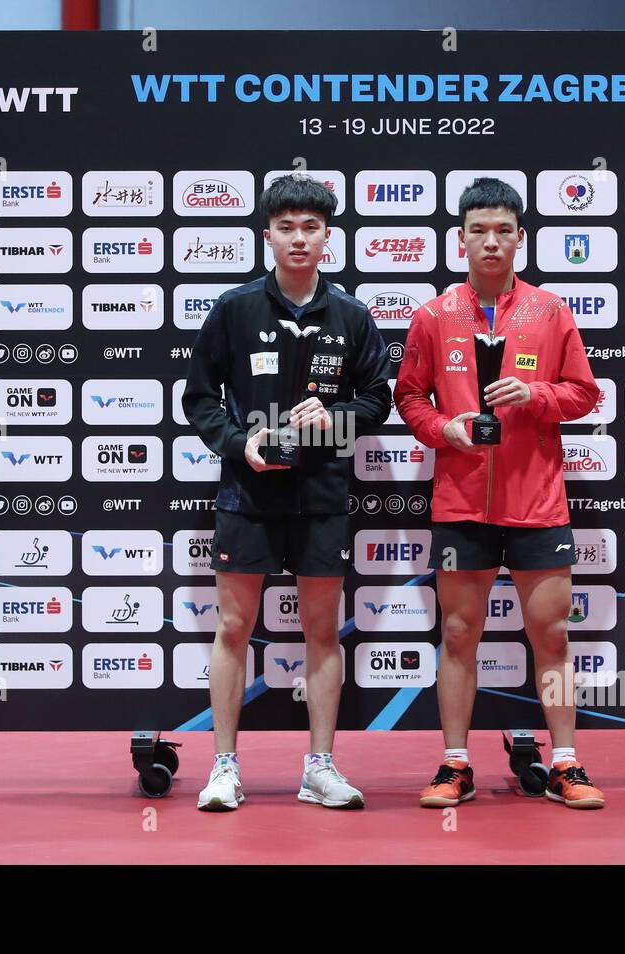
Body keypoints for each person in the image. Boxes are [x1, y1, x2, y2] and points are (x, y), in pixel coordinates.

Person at [394, 177, 605, 810]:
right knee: (459, 633)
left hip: (537, 503)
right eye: (478, 231)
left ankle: (566, 763)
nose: (491, 242)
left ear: (520, 238)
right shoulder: (433, 315)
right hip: (462, 504)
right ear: (461, 240)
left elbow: (584, 393)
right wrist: (443, 429)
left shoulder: (550, 312)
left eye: (503, 231)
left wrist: (536, 397)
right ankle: (455, 764)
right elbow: (408, 398)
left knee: (553, 636)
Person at [182, 174, 392, 811]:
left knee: (322, 633)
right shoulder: (235, 309)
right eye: (287, 228)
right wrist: (236, 443)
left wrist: (334, 422)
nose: (299, 239)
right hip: (247, 495)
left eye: (311, 228)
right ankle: (223, 768)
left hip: (321, 496)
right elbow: (198, 398)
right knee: (232, 628)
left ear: (328, 236)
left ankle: (320, 767)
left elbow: (380, 400)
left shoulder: (351, 315)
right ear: (267, 235)